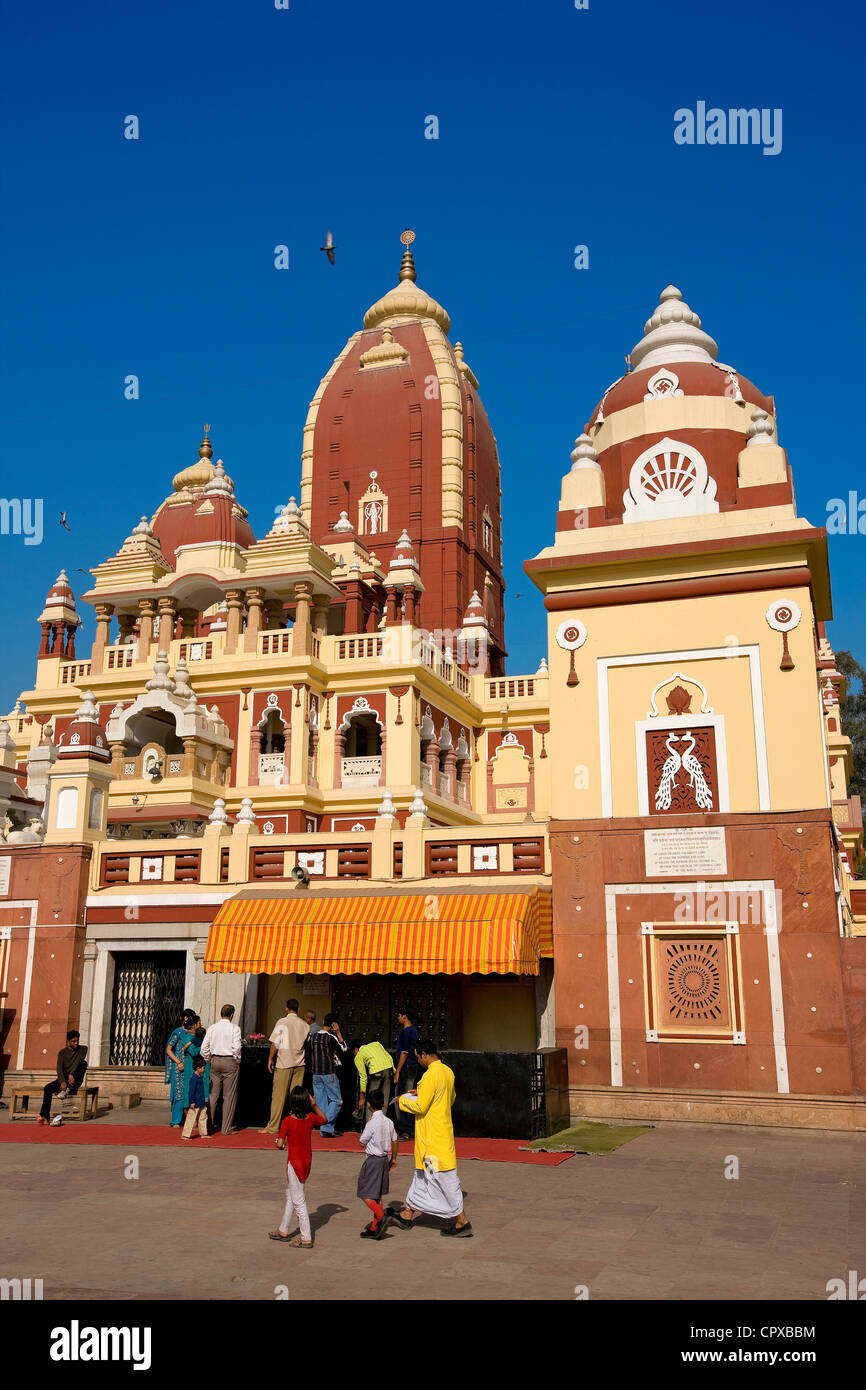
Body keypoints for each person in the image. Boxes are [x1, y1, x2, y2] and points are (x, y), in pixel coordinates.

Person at [391, 1041, 472, 1237]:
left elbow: (421, 1107)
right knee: (422, 1176)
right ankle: (408, 1213)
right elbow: (450, 1098)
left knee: (444, 1178)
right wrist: (421, 1093)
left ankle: (462, 1220)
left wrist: (402, 1101)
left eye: (418, 1057)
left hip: (432, 1137)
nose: (418, 1060)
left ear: (425, 1054)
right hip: (441, 1131)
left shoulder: (429, 1076)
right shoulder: (447, 1071)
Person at [268, 1086, 327, 1249]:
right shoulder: (310, 1118)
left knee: (299, 1201)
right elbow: (324, 1119)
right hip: (307, 1162)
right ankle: (283, 1229)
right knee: (291, 1196)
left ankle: (306, 1237)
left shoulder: (287, 1121)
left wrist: (280, 1143)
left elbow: (279, 1144)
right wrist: (315, 1105)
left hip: (294, 1163)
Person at [260, 999, 309, 1136]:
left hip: (284, 1063)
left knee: (278, 1096)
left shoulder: (282, 1022)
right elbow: (306, 1042)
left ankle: (273, 1126)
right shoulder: (304, 1024)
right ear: (297, 1008)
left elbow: (275, 1043)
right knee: (296, 1097)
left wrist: (270, 1058)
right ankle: (296, 1124)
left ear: (287, 1008)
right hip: (300, 1063)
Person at [357, 1088, 399, 1240]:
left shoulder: (371, 1123)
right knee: (378, 1195)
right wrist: (393, 1159)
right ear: (383, 1104)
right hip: (383, 1160)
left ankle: (381, 1216)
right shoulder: (389, 1122)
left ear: (369, 1104)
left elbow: (362, 1143)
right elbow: (395, 1140)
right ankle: (375, 1228)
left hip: (373, 1160)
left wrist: (367, 1128)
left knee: (364, 1192)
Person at [201, 1003, 242, 1135]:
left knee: (213, 1095)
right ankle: (226, 1128)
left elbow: (204, 1048)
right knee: (229, 1096)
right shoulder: (234, 1028)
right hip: (229, 1060)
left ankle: (208, 1125)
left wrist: (209, 1059)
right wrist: (237, 1060)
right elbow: (236, 1048)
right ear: (231, 1015)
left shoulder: (212, 1028)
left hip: (215, 1060)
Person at [309, 1012, 347, 1137]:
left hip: (315, 1073)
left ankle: (325, 1130)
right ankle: (325, 1125)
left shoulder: (312, 1036)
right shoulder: (331, 1037)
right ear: (333, 1025)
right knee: (337, 1100)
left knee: (321, 1102)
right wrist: (339, 1033)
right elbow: (344, 1049)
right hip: (328, 1072)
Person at [38, 1030, 88, 1124]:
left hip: (75, 1079)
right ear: (68, 1041)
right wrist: (62, 1081)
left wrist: (71, 1074)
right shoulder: (62, 1053)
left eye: (77, 1041)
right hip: (64, 1078)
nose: (76, 1043)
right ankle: (44, 1116)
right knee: (47, 1088)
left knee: (83, 1063)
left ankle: (68, 1090)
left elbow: (78, 1061)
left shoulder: (83, 1049)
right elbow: (59, 1069)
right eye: (73, 1041)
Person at [165, 1010, 198, 1127]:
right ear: (184, 1018)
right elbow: (168, 1049)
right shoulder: (177, 1033)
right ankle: (176, 1121)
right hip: (179, 1067)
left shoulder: (192, 1033)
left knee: (188, 1092)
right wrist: (178, 1062)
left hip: (189, 1066)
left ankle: (186, 1119)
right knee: (179, 1093)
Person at [352, 1037, 395, 1121]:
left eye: (353, 1052)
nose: (354, 1054)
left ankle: (369, 1127)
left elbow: (363, 1077)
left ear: (356, 1049)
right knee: (384, 1101)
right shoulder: (377, 1044)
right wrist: (394, 1071)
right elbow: (389, 1057)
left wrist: (362, 1097)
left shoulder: (359, 1055)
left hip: (376, 1072)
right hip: (388, 1070)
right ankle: (381, 1126)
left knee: (371, 1101)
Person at [393, 1008, 420, 1140]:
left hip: (406, 1067)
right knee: (410, 1095)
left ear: (404, 1017)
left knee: (401, 1097)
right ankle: (412, 1129)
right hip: (414, 1065)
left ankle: (405, 1130)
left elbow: (404, 1053)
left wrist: (397, 1072)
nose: (397, 1018)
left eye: (398, 1015)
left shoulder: (405, 1032)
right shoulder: (415, 1031)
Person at [182, 1057, 209, 1140]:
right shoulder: (194, 1078)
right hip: (195, 1102)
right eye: (203, 1067)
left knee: (203, 1117)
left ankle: (203, 1133)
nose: (204, 1069)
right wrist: (192, 1101)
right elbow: (191, 1091)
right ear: (198, 1068)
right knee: (191, 1118)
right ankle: (185, 1135)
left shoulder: (199, 1077)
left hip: (201, 1102)